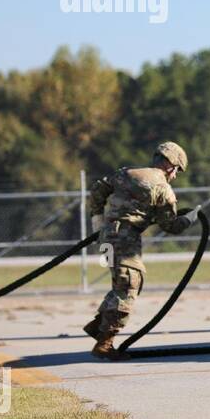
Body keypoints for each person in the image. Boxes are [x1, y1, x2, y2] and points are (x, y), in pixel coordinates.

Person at [84, 141, 196, 360]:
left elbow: (98, 189)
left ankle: (98, 325)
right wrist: (190, 218)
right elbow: (170, 226)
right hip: (124, 239)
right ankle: (104, 343)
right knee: (128, 287)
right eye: (177, 172)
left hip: (107, 238)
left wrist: (97, 219)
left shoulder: (126, 173)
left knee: (126, 283)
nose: (175, 177)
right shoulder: (163, 188)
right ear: (171, 166)